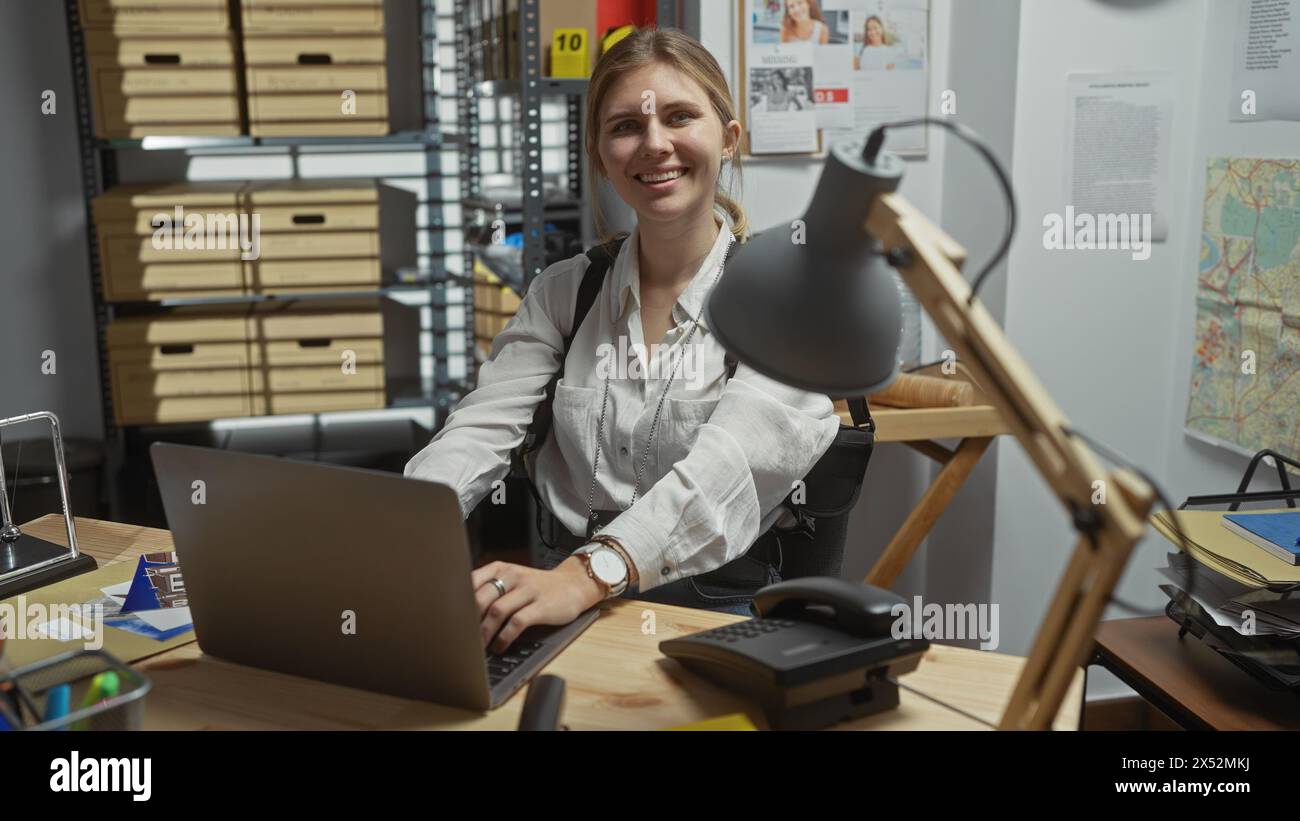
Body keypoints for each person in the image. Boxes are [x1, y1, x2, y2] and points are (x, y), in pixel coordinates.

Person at [405, 27, 838, 652]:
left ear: (729, 138)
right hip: (561, 601)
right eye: (625, 126)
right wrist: (399, 533)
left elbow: (723, 474)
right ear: (601, 155)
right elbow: (481, 428)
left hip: (714, 614)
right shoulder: (564, 292)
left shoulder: (784, 305)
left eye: (681, 117)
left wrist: (592, 573)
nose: (654, 144)